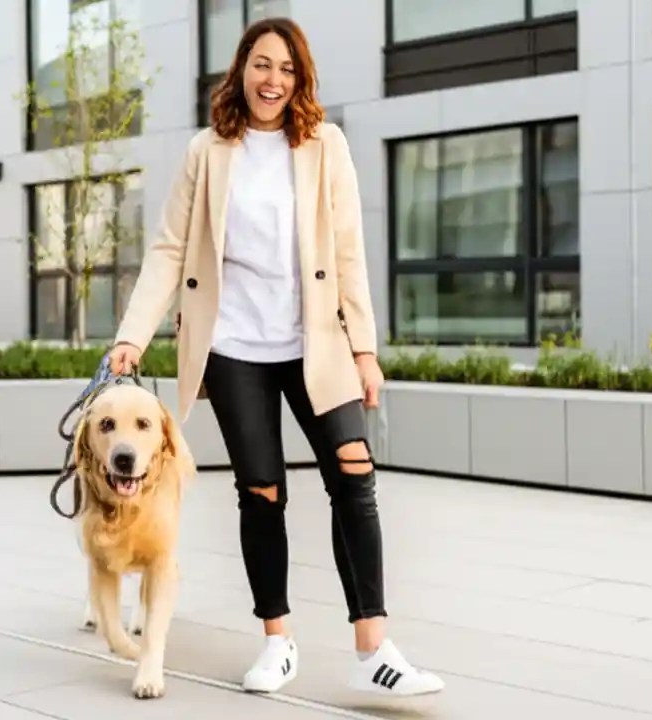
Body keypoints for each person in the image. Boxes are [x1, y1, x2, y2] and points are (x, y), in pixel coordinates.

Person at [106, 16, 444, 698]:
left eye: (287, 70)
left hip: (313, 340)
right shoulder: (208, 151)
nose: (274, 80)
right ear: (241, 71)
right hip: (232, 347)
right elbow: (170, 248)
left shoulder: (326, 146)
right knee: (261, 491)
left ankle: (372, 648)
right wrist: (131, 335)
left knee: (354, 470)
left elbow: (348, 252)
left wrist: (366, 350)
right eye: (263, 65)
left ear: (301, 78)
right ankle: (277, 639)